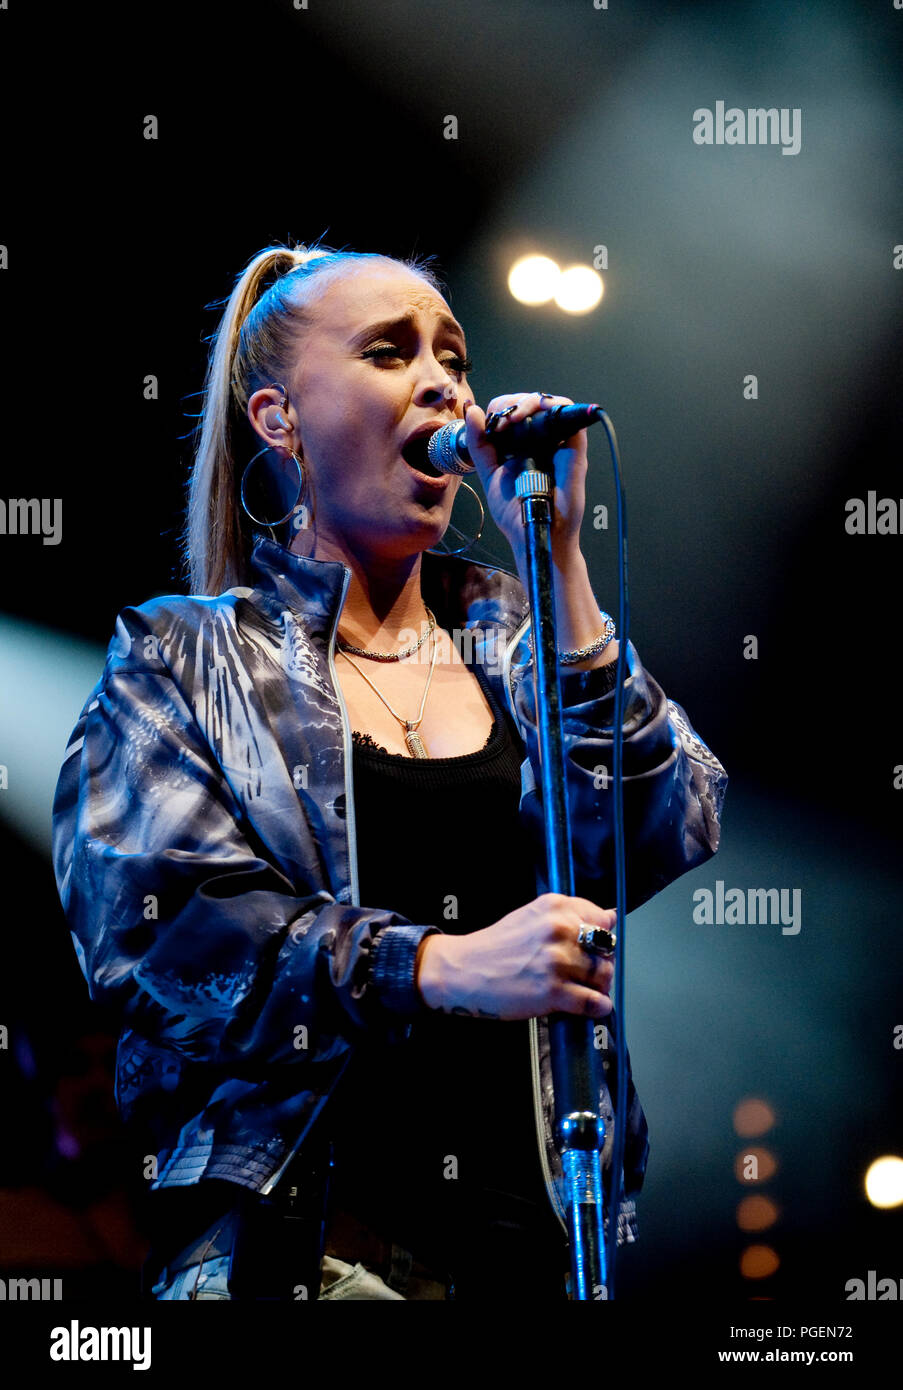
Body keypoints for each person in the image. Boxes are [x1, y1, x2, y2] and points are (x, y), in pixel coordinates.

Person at [51, 241, 728, 1301]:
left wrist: (558, 564)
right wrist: (440, 966)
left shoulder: (512, 636)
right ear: (278, 421)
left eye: (452, 358)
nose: (443, 383)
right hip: (308, 1253)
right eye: (387, 350)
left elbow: (660, 824)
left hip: (536, 1249)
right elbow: (162, 934)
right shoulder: (185, 658)